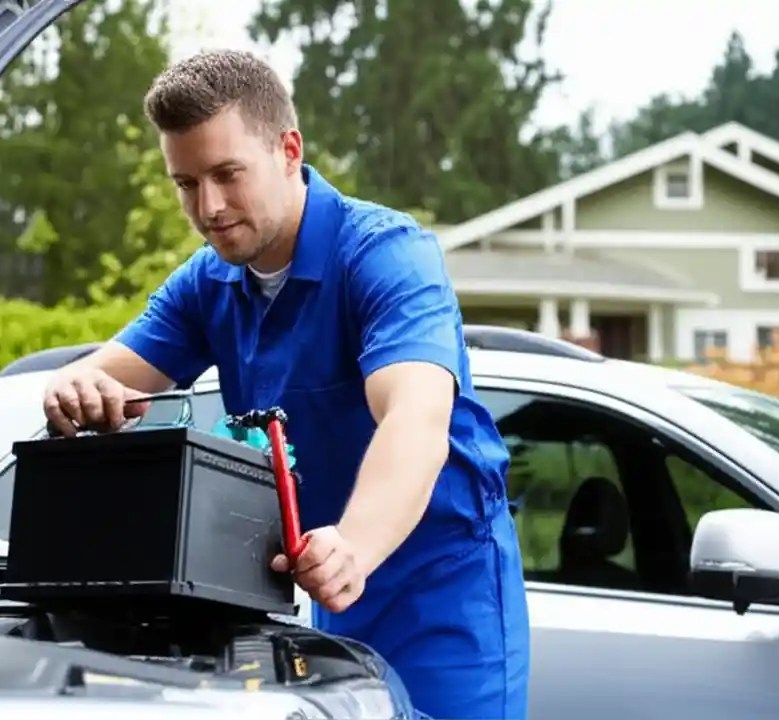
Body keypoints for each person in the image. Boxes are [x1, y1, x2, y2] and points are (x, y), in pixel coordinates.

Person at [42, 49, 530, 720]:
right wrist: (72, 394)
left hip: (440, 594)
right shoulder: (205, 284)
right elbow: (95, 374)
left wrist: (354, 547)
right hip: (323, 589)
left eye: (227, 174)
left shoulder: (387, 254)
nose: (208, 207)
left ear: (289, 149)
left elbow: (416, 422)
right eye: (185, 184)